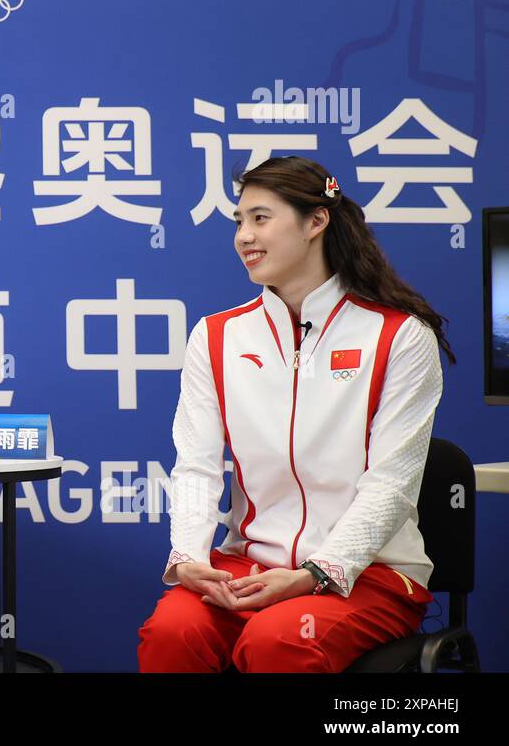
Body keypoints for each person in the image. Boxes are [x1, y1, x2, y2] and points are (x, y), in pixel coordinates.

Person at [137, 155, 454, 672]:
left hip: (367, 575)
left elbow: (391, 484)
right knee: (172, 631)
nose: (244, 236)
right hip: (249, 564)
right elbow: (195, 465)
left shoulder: (399, 336)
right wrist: (190, 558)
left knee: (279, 640)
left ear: (316, 222)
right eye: (238, 221)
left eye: (260, 218)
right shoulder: (217, 336)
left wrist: (315, 572)